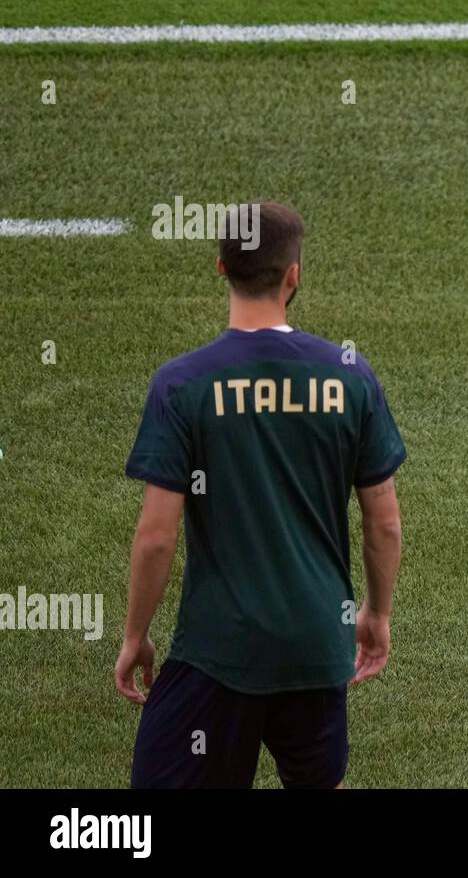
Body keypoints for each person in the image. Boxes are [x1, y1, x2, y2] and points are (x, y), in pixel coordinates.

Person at [116, 202, 406, 785]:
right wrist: (377, 613)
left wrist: (135, 635)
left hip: (221, 651)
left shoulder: (182, 384)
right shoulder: (351, 376)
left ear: (220, 266)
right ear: (294, 274)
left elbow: (155, 538)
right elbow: (384, 524)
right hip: (319, 648)